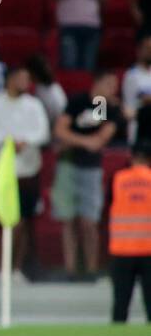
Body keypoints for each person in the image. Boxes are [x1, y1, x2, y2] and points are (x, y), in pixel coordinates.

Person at [0, 65, 51, 281]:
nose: (25, 83)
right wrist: (6, 141)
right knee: (7, 222)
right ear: (10, 80)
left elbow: (43, 132)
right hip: (3, 172)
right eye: (21, 78)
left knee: (23, 221)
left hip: (28, 171)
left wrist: (26, 141)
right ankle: (1, 268)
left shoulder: (34, 105)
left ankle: (16, 269)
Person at [52, 71, 125, 280]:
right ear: (98, 82)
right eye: (109, 83)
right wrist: (85, 141)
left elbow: (100, 138)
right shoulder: (78, 101)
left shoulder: (106, 108)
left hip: (91, 168)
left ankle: (91, 269)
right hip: (67, 165)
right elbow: (60, 130)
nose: (113, 89)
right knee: (68, 219)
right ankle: (71, 269)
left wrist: (72, 141)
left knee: (89, 221)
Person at [107, 141, 151, 323]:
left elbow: (108, 206)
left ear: (131, 156)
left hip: (121, 250)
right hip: (149, 250)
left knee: (120, 304)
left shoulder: (117, 179)